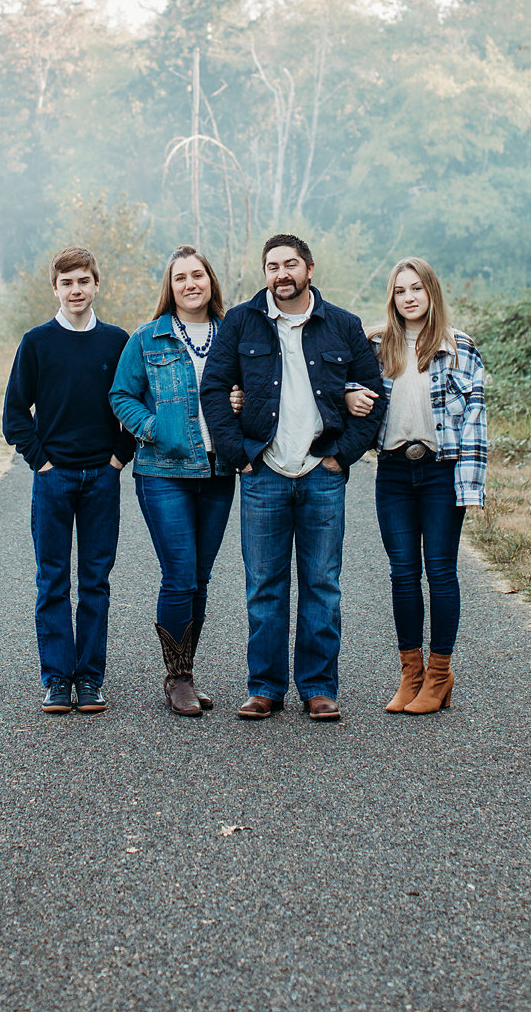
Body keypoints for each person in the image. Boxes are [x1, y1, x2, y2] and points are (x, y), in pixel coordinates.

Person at [200, 233, 383, 722]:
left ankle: (319, 688)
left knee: (322, 584)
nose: (281, 274)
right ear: (265, 273)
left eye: (290, 264)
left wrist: (343, 455)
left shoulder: (343, 325)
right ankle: (264, 687)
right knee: (264, 585)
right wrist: (240, 456)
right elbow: (214, 389)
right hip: (264, 471)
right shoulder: (241, 322)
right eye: (272, 266)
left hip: (321, 471)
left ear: (309, 269)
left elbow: (373, 397)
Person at [345, 256, 486, 715]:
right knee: (402, 572)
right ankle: (411, 674)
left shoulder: (459, 348)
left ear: (431, 292)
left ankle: (440, 675)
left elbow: (475, 422)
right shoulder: (375, 346)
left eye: (417, 289)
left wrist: (469, 486)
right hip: (393, 472)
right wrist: (348, 394)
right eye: (400, 290)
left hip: (441, 471)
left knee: (440, 571)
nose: (409, 297)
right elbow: (343, 387)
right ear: (392, 298)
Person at [2, 245, 134, 715]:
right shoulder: (37, 343)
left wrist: (119, 458)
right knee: (53, 580)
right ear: (55, 288)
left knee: (95, 581)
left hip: (102, 478)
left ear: (96, 284)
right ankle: (58, 678)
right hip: (53, 479)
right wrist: (40, 462)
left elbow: (136, 403)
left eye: (83, 281)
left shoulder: (117, 342)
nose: (75, 290)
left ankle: (90, 678)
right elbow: (15, 414)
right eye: (66, 283)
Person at [109, 246, 240, 717]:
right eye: (180, 277)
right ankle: (177, 678)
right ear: (170, 286)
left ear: (210, 281)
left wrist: (242, 402)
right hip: (164, 472)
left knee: (200, 578)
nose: (190, 284)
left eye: (197, 275)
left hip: (218, 471)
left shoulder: (232, 334)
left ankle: (188, 670)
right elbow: (121, 395)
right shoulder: (147, 338)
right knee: (180, 574)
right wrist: (154, 428)